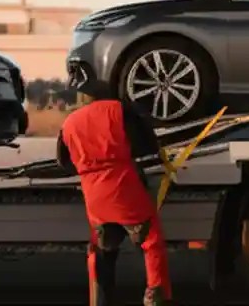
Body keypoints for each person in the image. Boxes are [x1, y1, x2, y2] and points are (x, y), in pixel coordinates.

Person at [56, 61, 174, 306]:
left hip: (94, 197)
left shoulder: (69, 123)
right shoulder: (120, 111)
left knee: (101, 249)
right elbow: (147, 146)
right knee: (150, 240)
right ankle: (156, 295)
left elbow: (64, 163)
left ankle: (100, 300)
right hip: (124, 187)